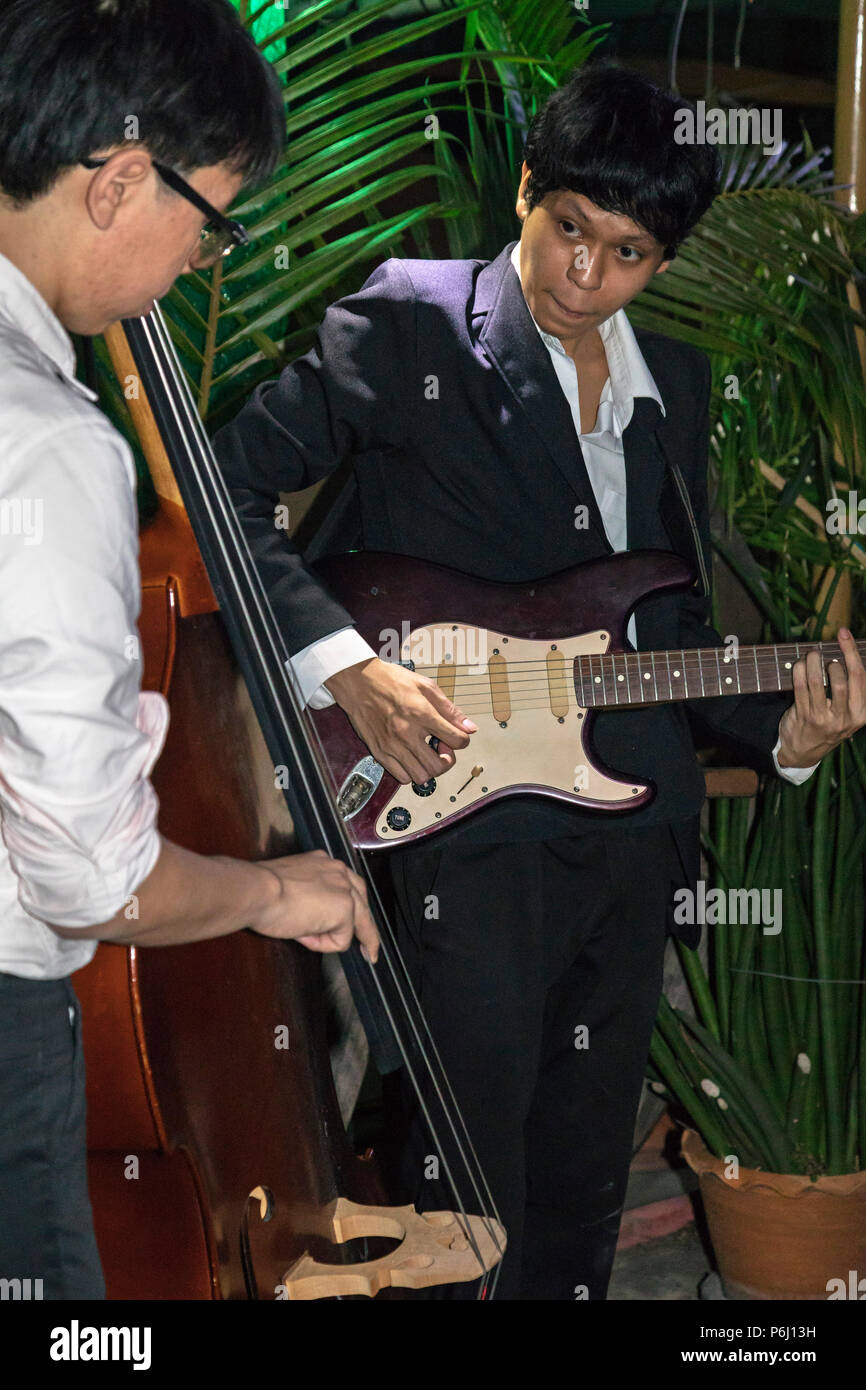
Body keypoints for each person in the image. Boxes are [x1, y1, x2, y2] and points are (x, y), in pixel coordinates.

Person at [214, 63, 866, 1299]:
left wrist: (791, 729)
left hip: (627, 836)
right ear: (524, 188)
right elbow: (227, 487)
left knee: (580, 1189)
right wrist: (345, 667)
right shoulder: (410, 319)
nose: (584, 276)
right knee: (456, 1193)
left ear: (661, 260)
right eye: (567, 229)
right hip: (465, 833)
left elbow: (663, 625)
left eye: (624, 253)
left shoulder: (667, 377)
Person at [0, 0, 378, 1302]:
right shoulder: (46, 441)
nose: (192, 269)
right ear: (116, 182)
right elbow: (91, 883)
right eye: (207, 224)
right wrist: (278, 891)